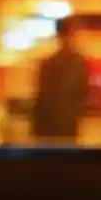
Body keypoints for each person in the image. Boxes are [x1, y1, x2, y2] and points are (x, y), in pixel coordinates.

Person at [31, 15, 90, 144]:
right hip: (67, 125)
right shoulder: (78, 63)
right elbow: (81, 94)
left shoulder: (47, 64)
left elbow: (41, 98)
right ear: (72, 34)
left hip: (48, 127)